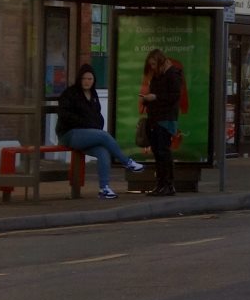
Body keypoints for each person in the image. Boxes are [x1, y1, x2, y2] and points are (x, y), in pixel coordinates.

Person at [55, 65, 144, 199]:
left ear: (93, 80)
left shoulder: (94, 94)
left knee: (103, 151)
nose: (87, 81)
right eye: (84, 78)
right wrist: (88, 125)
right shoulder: (70, 93)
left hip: (87, 135)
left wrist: (94, 127)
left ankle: (104, 189)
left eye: (90, 78)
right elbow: (65, 115)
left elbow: (97, 116)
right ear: (79, 79)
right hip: (69, 134)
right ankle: (127, 162)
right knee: (104, 136)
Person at [140, 48, 185, 196]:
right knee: (158, 153)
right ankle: (160, 184)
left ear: (160, 62)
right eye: (150, 64)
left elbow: (173, 97)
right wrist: (147, 100)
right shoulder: (158, 75)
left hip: (165, 118)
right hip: (156, 117)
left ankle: (168, 184)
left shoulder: (172, 74)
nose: (152, 67)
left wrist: (155, 97)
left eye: (154, 64)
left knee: (163, 152)